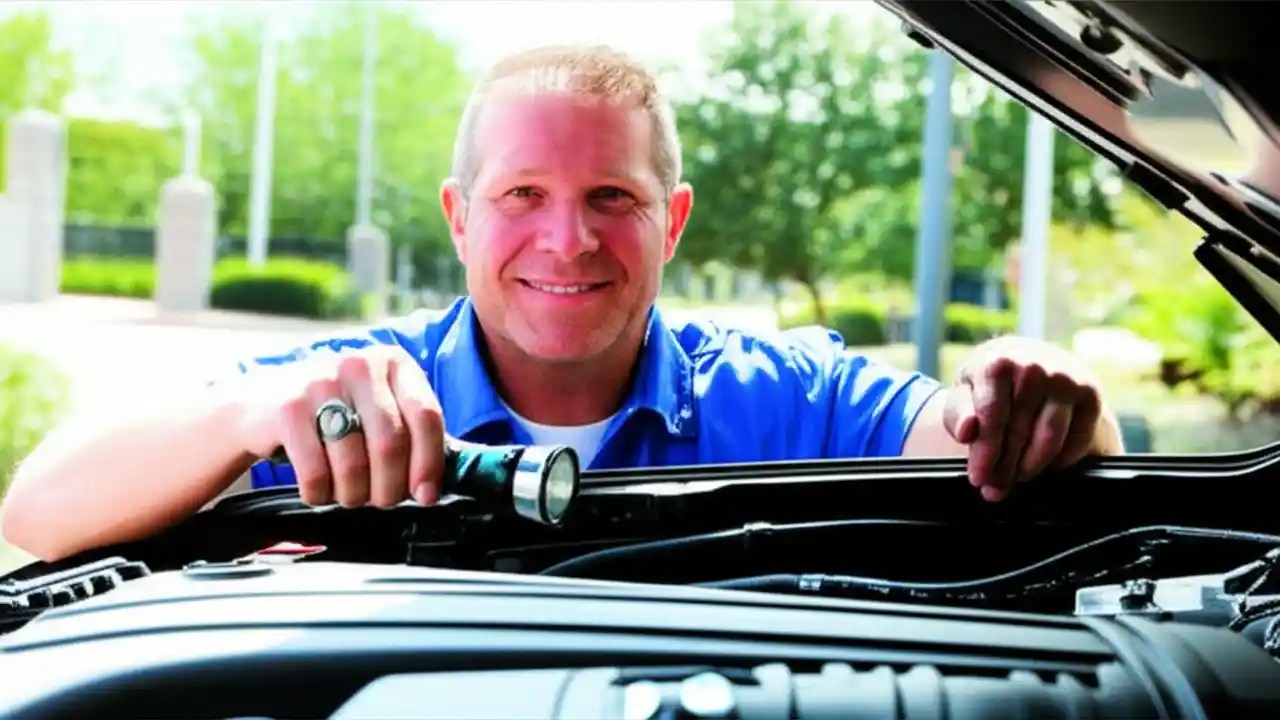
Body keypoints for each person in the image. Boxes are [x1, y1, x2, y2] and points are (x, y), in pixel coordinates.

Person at [0, 44, 1124, 563]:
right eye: (523, 195)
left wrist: (1040, 385)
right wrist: (250, 417)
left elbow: (1018, 446)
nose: (568, 239)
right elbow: (37, 513)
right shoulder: (340, 395)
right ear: (459, 217)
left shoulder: (792, 396)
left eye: (611, 197)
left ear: (672, 221)